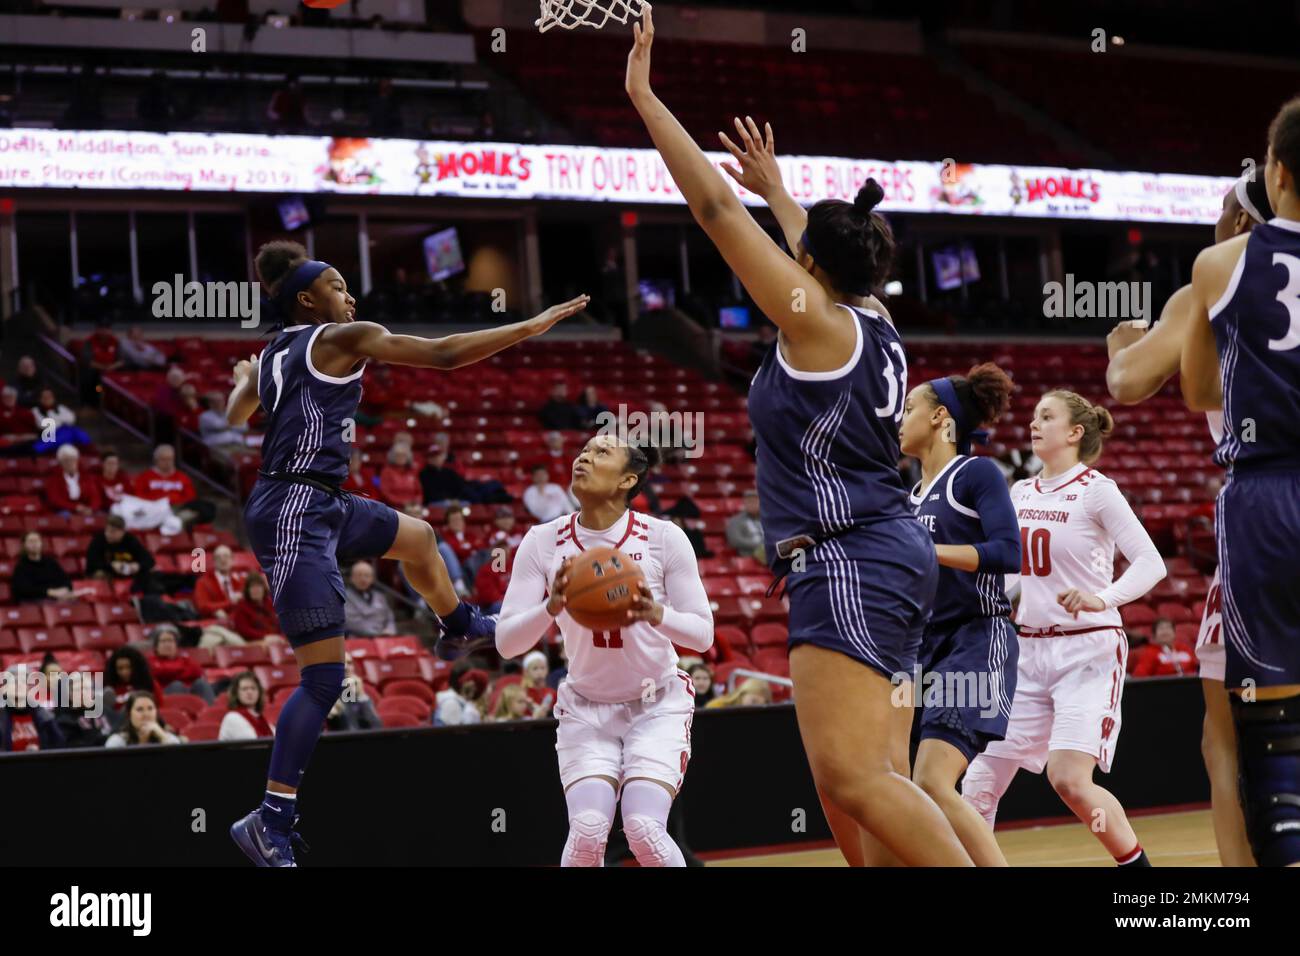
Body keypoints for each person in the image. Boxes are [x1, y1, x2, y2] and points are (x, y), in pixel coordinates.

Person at [633, 5, 967, 863]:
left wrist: (643, 94)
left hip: (851, 555)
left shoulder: (816, 324)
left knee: (856, 778)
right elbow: (815, 248)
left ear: (806, 267)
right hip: (883, 554)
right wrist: (780, 188)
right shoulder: (865, 314)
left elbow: (711, 208)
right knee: (863, 777)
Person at [224, 238, 587, 865]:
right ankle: (270, 819)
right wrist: (531, 324)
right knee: (323, 677)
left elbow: (235, 413)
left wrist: (244, 379)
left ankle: (458, 623)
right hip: (292, 511)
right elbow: (443, 355)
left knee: (419, 538)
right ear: (310, 299)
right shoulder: (338, 336)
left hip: (322, 500)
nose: (351, 295)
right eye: (338, 285)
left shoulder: (270, 354)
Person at [1109, 170, 1269, 866]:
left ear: (1239, 219)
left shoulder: (1213, 280)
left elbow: (1130, 383)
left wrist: (1123, 344)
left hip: (1264, 511)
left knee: (1226, 737)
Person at [960, 389, 1166, 867]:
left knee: (1069, 780)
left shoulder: (1097, 489)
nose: (1034, 424)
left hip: (1087, 651)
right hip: (1027, 652)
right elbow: (1011, 574)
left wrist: (1103, 597)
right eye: (1033, 416)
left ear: (1075, 432)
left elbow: (1150, 562)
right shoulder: (1020, 491)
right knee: (979, 779)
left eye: (1046, 417)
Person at [496, 434, 714, 867]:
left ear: (627, 479)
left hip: (657, 704)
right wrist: (550, 607)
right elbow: (507, 644)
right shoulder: (542, 540)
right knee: (588, 832)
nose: (585, 457)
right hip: (585, 707)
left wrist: (656, 614)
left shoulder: (664, 537)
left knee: (644, 829)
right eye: (584, 450)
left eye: (601, 453)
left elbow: (702, 636)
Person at [1180, 98, 1300, 868]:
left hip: (1268, 496)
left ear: (1279, 168)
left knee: (1272, 712)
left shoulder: (1221, 264)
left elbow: (1198, 391)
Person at [898, 363, 1021, 867]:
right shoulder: (908, 498)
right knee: (909, 789)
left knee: (931, 779)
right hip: (921, 649)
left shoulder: (976, 472)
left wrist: (931, 551)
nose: (899, 419)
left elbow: (1009, 552)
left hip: (975, 635)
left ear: (940, 418)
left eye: (909, 409)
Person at [133, 444, 216, 528]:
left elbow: (190, 497)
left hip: (178, 509)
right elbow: (139, 496)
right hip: (153, 508)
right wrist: (160, 501)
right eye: (163, 459)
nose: (167, 462)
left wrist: (175, 501)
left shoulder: (183, 477)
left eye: (170, 459)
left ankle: (172, 523)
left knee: (196, 512)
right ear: (156, 460)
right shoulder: (144, 477)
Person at [147, 623, 217, 703]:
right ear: (156, 646)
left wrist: (170, 672)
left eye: (171, 641)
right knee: (177, 685)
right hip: (165, 696)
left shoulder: (185, 659)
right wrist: (181, 671)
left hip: (190, 693)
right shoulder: (150, 661)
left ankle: (209, 712)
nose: (167, 645)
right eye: (163, 641)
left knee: (201, 683)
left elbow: (197, 671)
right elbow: (159, 672)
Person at [85, 514, 156, 591]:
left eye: (113, 532)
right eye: (107, 530)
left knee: (149, 572)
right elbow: (91, 563)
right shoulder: (98, 540)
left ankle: (139, 596)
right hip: (107, 572)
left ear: (122, 532)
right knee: (100, 574)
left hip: (128, 573)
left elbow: (149, 560)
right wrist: (111, 565)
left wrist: (137, 566)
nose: (108, 534)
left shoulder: (130, 539)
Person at [12, 531, 78, 603]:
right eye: (31, 541)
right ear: (24, 545)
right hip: (36, 601)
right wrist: (50, 592)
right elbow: (24, 590)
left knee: (74, 602)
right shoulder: (21, 566)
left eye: (37, 540)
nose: (34, 544)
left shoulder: (51, 563)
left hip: (56, 598)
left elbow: (66, 580)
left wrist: (65, 589)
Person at [105, 647, 165, 718]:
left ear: (137, 667)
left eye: (129, 667)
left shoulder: (149, 684)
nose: (124, 672)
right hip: (114, 723)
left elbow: (160, 709)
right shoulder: (109, 687)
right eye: (120, 668)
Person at [326, 656, 382, 732]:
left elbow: (376, 726)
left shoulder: (357, 693)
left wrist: (361, 694)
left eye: (349, 663)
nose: (346, 667)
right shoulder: (326, 694)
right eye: (341, 664)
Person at [105, 692, 182, 747]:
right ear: (129, 714)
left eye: (150, 708)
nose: (146, 714)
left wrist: (162, 736)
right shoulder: (117, 741)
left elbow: (179, 760)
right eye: (140, 709)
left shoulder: (167, 738)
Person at [44, 444, 103, 515]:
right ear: (61, 463)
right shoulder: (54, 478)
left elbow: (95, 496)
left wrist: (91, 508)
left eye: (72, 459)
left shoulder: (86, 477)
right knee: (65, 515)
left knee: (100, 515)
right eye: (66, 460)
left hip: (85, 508)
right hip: (65, 510)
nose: (70, 463)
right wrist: (75, 507)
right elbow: (55, 500)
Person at [342, 560, 397, 637]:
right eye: (359, 575)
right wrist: (377, 633)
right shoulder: (345, 596)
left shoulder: (380, 596)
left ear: (372, 579)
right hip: (358, 639)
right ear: (352, 578)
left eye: (366, 575)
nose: (363, 579)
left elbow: (389, 617)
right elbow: (351, 621)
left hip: (383, 638)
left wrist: (389, 630)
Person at [1130, 618, 1198, 677]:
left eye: (1168, 628)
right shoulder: (1149, 653)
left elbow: (1198, 668)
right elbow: (1139, 676)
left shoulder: (1185, 649)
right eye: (1161, 629)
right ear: (1154, 635)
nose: (1165, 632)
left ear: (1174, 633)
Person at [193, 544, 243, 622]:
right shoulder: (203, 582)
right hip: (215, 623)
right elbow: (203, 606)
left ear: (232, 560)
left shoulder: (241, 580)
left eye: (226, 556)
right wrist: (231, 602)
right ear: (214, 561)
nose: (222, 560)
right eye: (218, 557)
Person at [220, 672, 275, 741]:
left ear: (259, 692)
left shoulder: (260, 718)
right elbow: (253, 744)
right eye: (244, 689)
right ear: (236, 693)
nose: (249, 692)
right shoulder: (232, 717)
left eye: (253, 688)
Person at [229, 574, 282, 644]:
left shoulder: (270, 603)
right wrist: (265, 636)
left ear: (263, 588)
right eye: (252, 587)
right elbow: (244, 630)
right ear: (247, 590)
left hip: (276, 639)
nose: (255, 590)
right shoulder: (241, 606)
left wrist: (280, 637)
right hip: (254, 642)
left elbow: (281, 624)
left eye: (258, 586)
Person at [378, 442, 423, 510]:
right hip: (394, 507)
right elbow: (385, 493)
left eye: (404, 455)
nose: (401, 457)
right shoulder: (386, 471)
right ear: (392, 456)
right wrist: (402, 503)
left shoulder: (412, 471)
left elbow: (418, 491)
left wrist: (417, 501)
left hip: (412, 507)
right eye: (398, 455)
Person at [724, 489, 764, 561]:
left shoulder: (767, 519)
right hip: (748, 554)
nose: (752, 504)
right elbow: (735, 541)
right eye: (749, 502)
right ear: (744, 503)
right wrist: (760, 545)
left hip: (768, 551)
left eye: (755, 501)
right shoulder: (735, 521)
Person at [705, 678, 773, 708]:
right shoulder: (716, 706)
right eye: (753, 701)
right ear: (742, 694)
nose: (756, 707)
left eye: (761, 705)